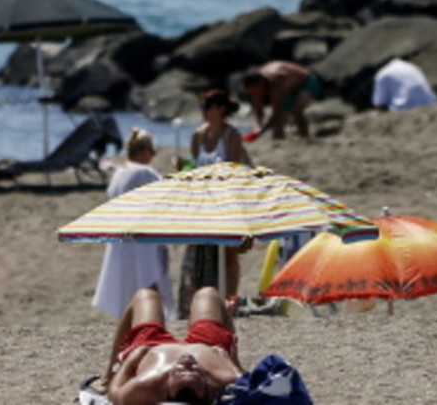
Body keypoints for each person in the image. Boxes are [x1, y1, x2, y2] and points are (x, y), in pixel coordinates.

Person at [92, 286, 244, 405]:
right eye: (196, 371)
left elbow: (115, 392)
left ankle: (105, 378)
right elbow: (249, 383)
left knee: (145, 295)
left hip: (151, 346)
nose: (187, 361)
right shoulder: (224, 382)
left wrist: (132, 359)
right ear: (206, 386)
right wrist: (230, 360)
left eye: (180, 371)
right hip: (207, 345)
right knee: (208, 293)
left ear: (166, 386)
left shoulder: (146, 387)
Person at [177, 89, 249, 318]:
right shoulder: (198, 135)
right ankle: (203, 299)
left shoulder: (231, 136)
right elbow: (194, 166)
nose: (203, 112)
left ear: (220, 109)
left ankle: (230, 300)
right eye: (202, 108)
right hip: (201, 200)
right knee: (201, 250)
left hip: (227, 199)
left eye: (207, 107)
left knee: (229, 253)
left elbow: (235, 170)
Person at [92, 129, 173, 320]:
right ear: (143, 151)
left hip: (121, 241)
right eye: (152, 152)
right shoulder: (144, 173)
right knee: (149, 285)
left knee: (126, 291)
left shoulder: (120, 173)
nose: (152, 156)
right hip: (142, 242)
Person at [242, 61, 324, 140]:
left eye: (256, 91)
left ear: (261, 84)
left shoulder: (276, 81)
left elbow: (276, 113)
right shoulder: (255, 84)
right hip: (288, 89)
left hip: (307, 82)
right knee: (280, 122)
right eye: (252, 93)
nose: (256, 94)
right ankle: (278, 139)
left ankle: (305, 137)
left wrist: (261, 130)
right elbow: (258, 109)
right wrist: (257, 126)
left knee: (296, 111)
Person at [371, 57, 437, 111]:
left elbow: (379, 104)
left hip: (405, 108)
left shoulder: (382, 74)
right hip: (432, 104)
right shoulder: (413, 67)